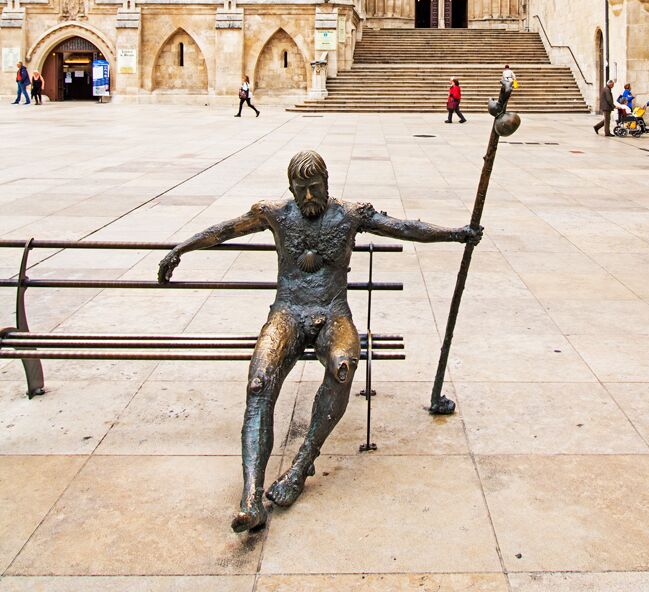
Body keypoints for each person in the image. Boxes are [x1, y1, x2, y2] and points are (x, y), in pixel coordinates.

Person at [157, 149, 481, 530]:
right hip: (288, 312)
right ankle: (250, 498)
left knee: (343, 367)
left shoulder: (350, 215)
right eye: (301, 190)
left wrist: (457, 234)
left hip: (332, 313)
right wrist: (181, 249)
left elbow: (405, 228)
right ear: (290, 189)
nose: (309, 197)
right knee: (259, 381)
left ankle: (300, 465)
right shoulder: (275, 214)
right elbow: (225, 230)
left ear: (328, 183)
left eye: (316, 188)